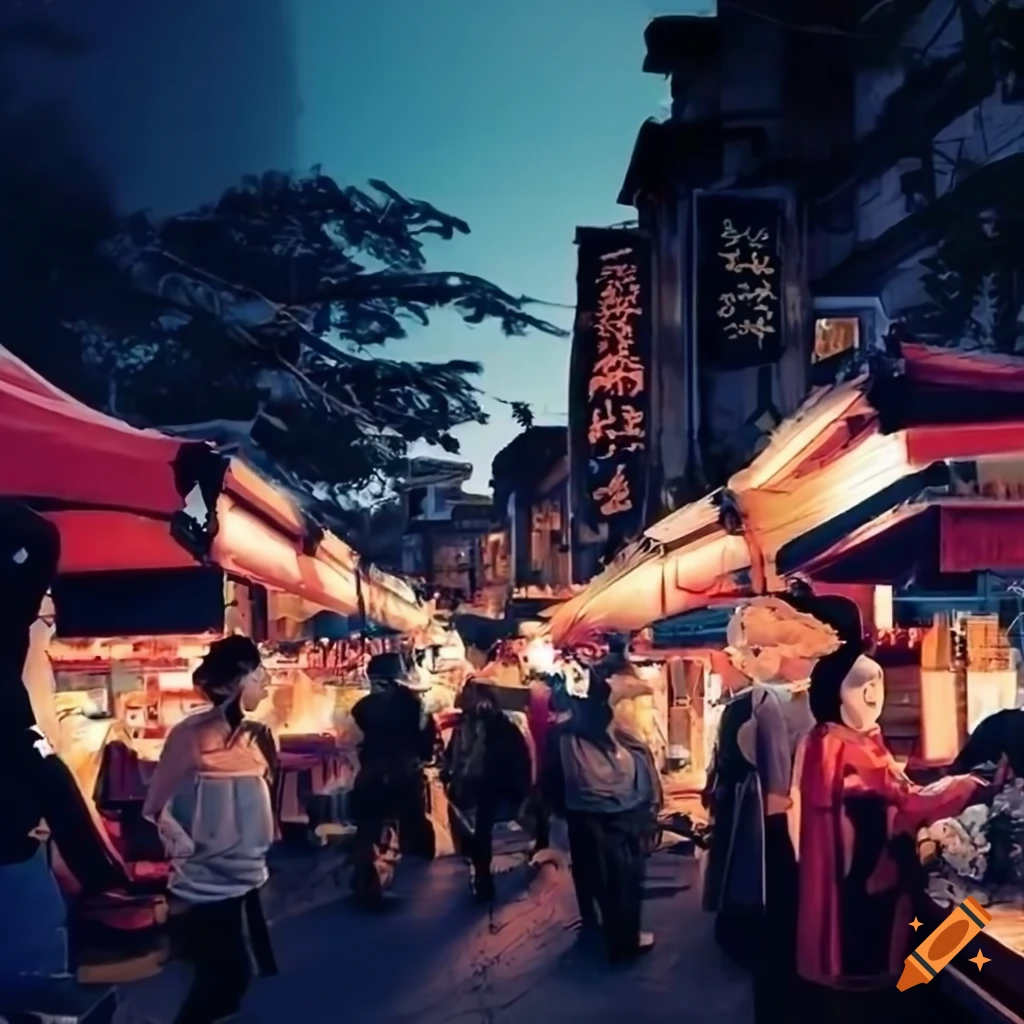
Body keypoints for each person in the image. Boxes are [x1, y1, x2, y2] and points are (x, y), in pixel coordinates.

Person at [795, 637, 997, 1022]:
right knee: (868, 980)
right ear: (833, 692)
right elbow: (906, 800)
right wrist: (966, 786)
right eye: (860, 684)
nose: (873, 693)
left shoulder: (844, 741)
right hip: (862, 882)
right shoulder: (842, 749)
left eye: (877, 682)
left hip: (863, 880)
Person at [143, 635, 278, 1024]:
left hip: (248, 876)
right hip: (203, 883)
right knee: (226, 974)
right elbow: (157, 805)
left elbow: (261, 794)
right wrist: (184, 846)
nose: (265, 682)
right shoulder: (191, 735)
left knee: (231, 976)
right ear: (236, 682)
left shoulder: (260, 735)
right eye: (259, 674)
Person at [542, 672, 656, 963]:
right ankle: (624, 942)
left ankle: (594, 921)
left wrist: (557, 808)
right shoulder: (619, 732)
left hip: (581, 814)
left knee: (589, 870)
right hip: (622, 815)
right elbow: (644, 774)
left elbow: (550, 778)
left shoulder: (560, 735)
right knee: (624, 879)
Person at [348, 652, 437, 904]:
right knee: (404, 830)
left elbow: (352, 741)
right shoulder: (417, 704)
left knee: (369, 829)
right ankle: (397, 882)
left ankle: (367, 881)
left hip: (372, 777)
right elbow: (427, 743)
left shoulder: (361, 707)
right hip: (406, 776)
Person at [443, 679, 532, 902]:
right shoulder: (467, 723)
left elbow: (518, 756)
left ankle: (484, 877)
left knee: (485, 829)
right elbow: (456, 752)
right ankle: (481, 876)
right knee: (476, 831)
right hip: (477, 783)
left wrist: (521, 788)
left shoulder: (503, 724)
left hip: (494, 781)